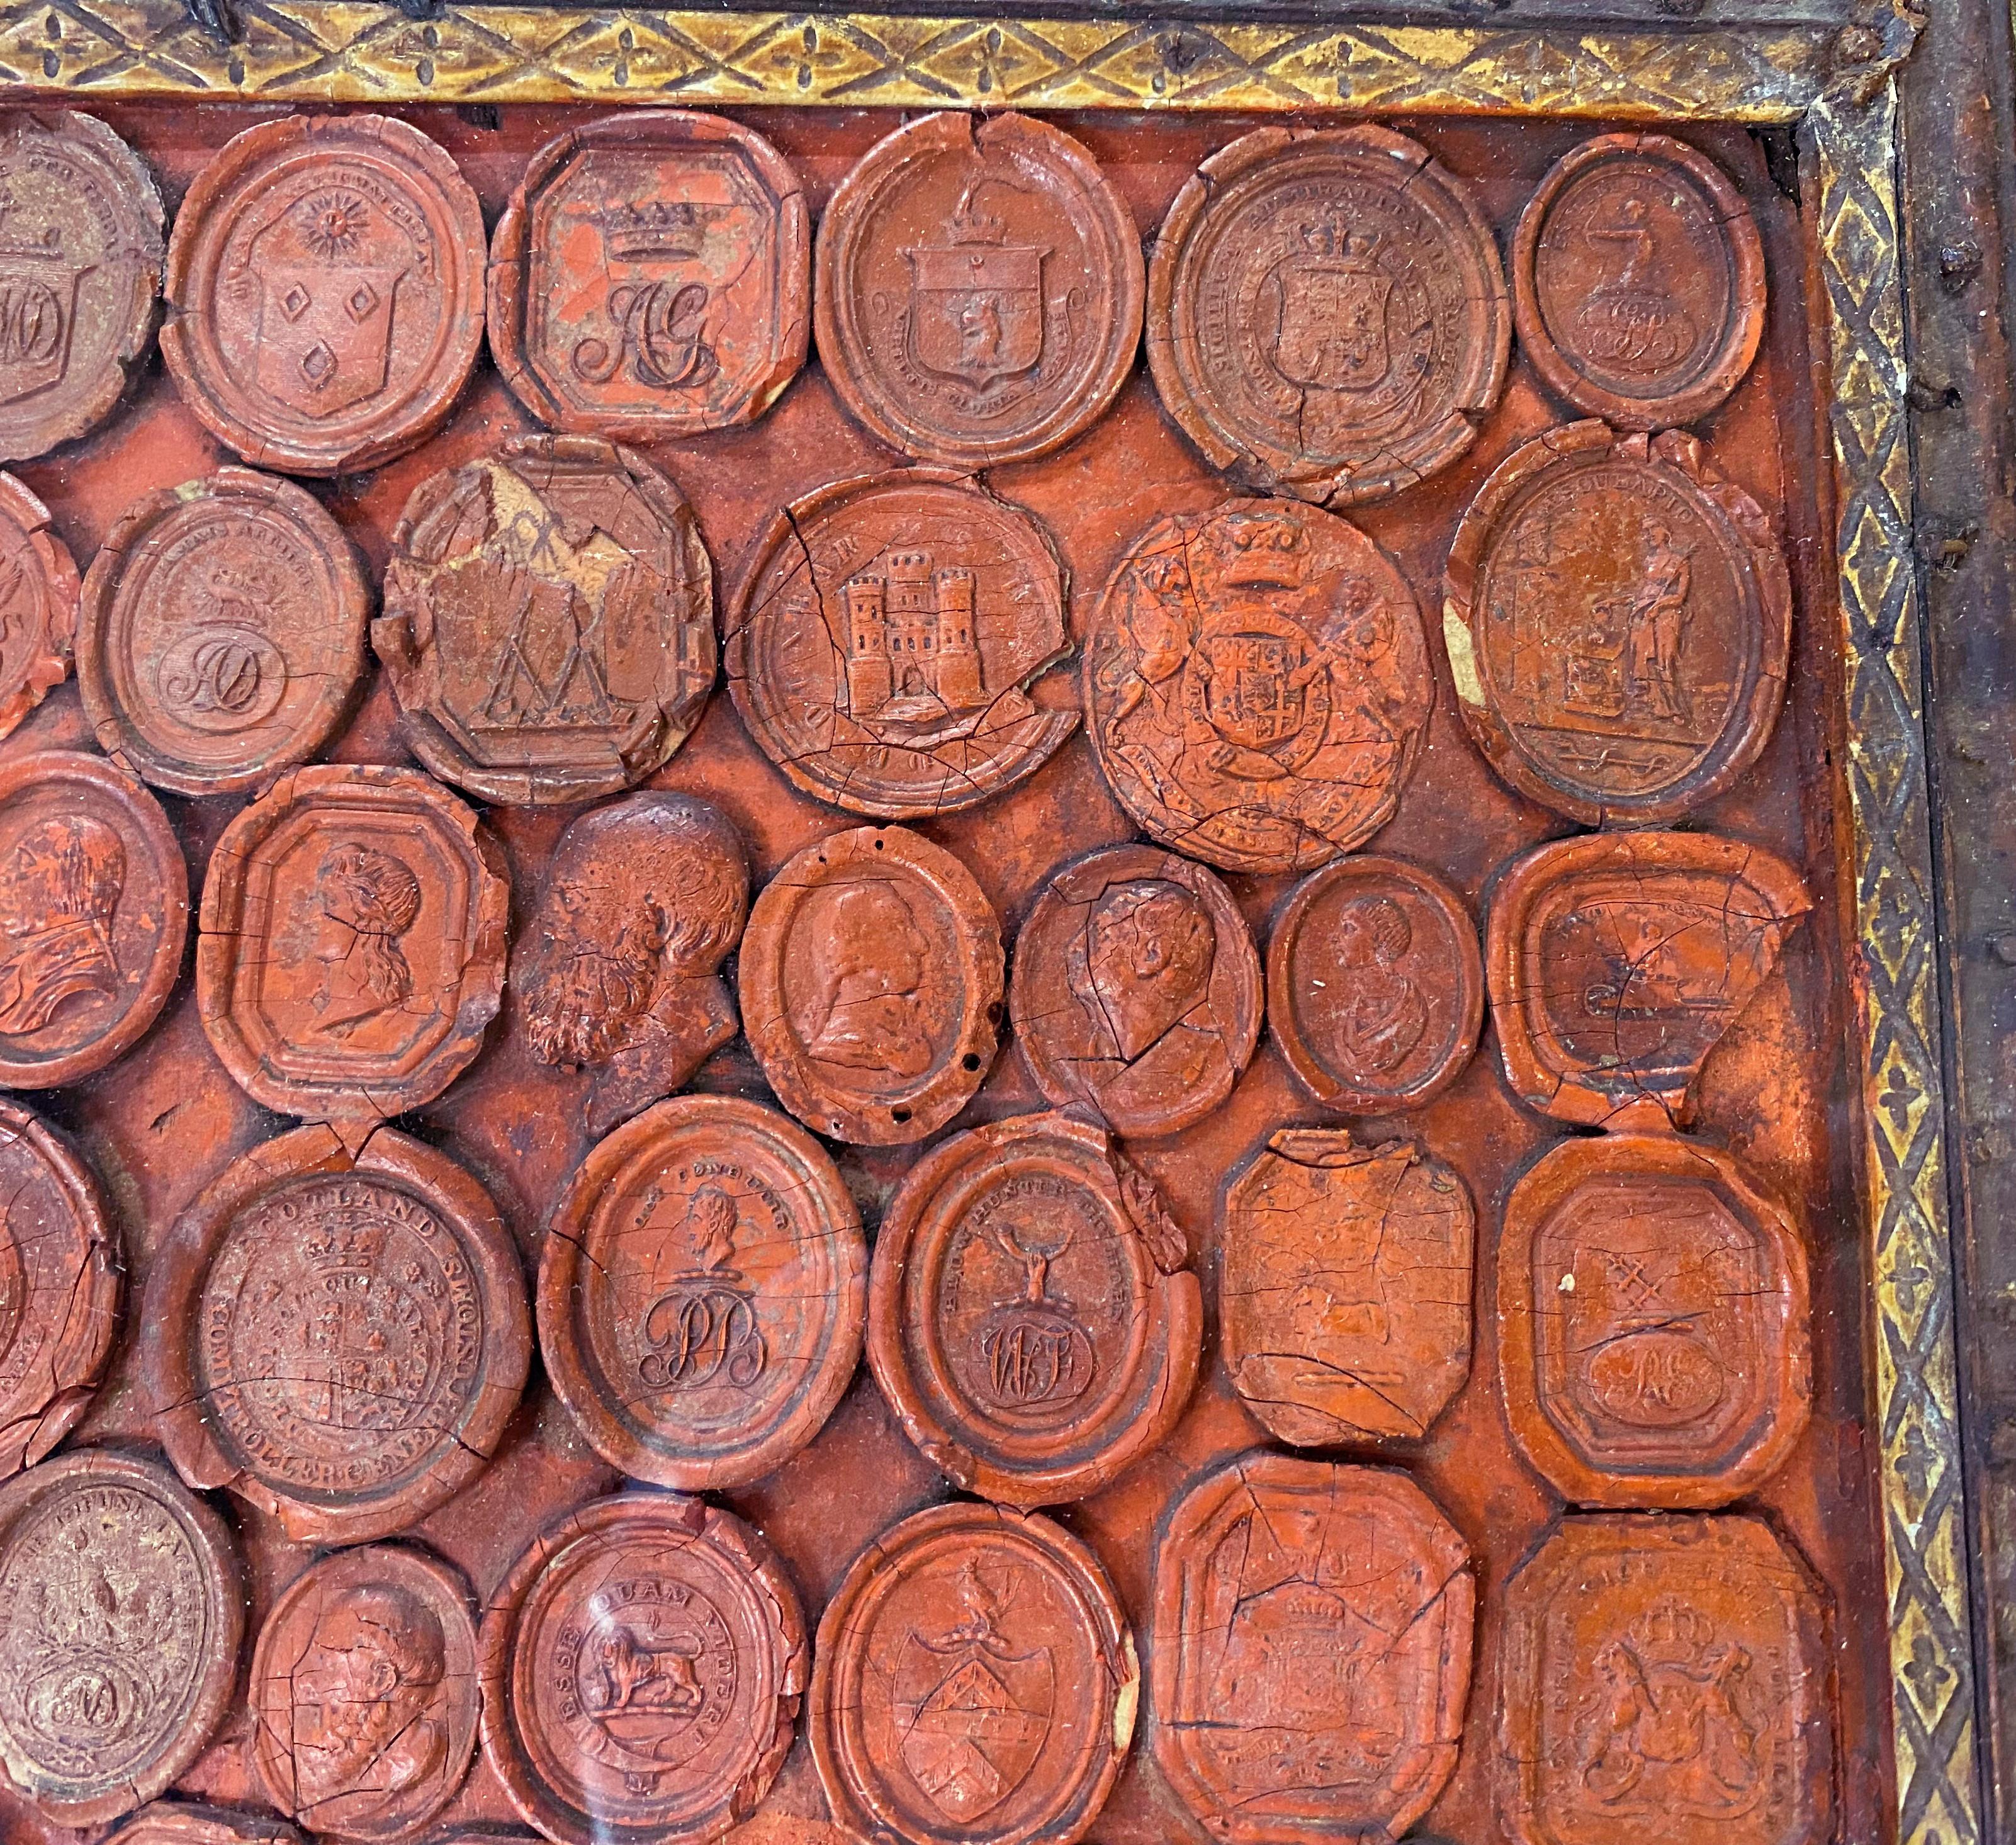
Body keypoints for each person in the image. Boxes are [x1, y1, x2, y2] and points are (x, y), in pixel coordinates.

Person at [287, 1583, 448, 1822]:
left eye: (327, 1665)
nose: (305, 1685)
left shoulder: (410, 1759)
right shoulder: (349, 1756)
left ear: (382, 1679)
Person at [0, 815, 123, 1037]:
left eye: (26, 862)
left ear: (76, 882)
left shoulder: (82, 988)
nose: (4, 875)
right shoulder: (14, 973)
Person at [308, 844, 423, 1039]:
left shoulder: (369, 1009)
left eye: (331, 903)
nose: (314, 917)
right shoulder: (325, 1002)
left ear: (368, 919)